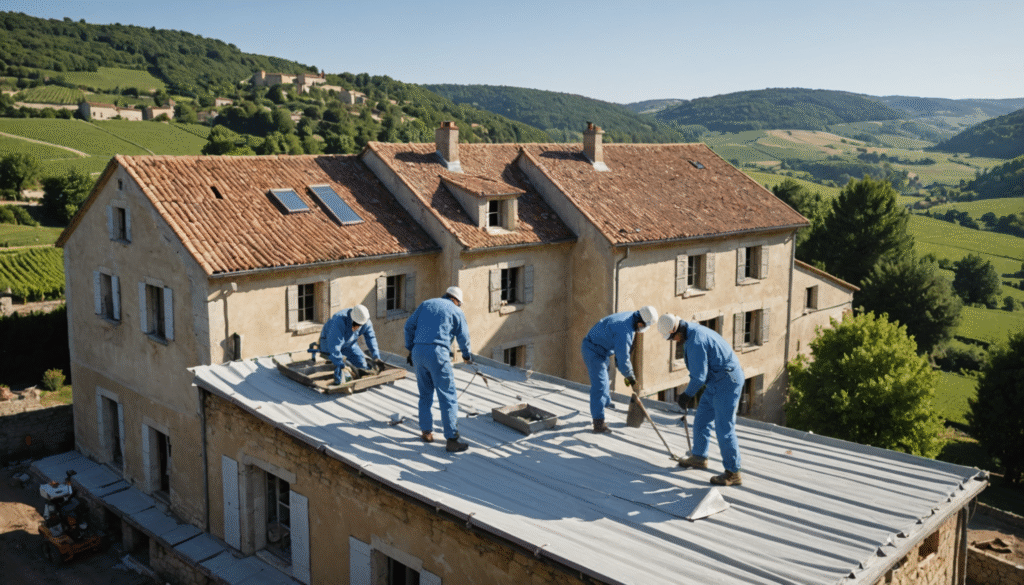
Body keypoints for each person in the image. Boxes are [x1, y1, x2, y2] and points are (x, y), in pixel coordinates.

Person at [657, 313, 745, 486]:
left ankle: (733, 472)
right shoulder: (692, 331)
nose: (674, 341)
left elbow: (698, 378)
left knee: (724, 428)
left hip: (727, 382)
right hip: (716, 381)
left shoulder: (696, 341)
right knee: (702, 419)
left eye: (672, 338)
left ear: (676, 331)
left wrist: (686, 395)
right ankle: (699, 456)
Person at [404, 286, 473, 453]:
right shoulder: (455, 310)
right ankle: (452, 439)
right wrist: (466, 355)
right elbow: (463, 336)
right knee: (447, 396)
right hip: (438, 354)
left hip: (418, 352)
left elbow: (408, 326)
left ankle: (426, 432)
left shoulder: (426, 304)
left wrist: (410, 348)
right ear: (457, 301)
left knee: (425, 394)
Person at [581, 306, 658, 433]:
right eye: (643, 326)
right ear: (640, 323)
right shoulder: (625, 330)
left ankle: (605, 404)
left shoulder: (631, 317)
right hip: (592, 351)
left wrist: (623, 368)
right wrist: (630, 378)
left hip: (602, 350)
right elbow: (623, 359)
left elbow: (620, 352)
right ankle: (598, 423)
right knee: (600, 385)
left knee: (605, 381)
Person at [319, 304, 385, 384]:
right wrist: (341, 364)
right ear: (351, 317)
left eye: (359, 324)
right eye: (355, 323)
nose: (357, 326)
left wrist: (376, 356)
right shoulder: (339, 320)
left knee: (362, 364)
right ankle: (338, 378)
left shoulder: (365, 321)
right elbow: (333, 345)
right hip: (329, 345)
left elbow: (371, 338)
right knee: (343, 372)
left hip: (349, 345)